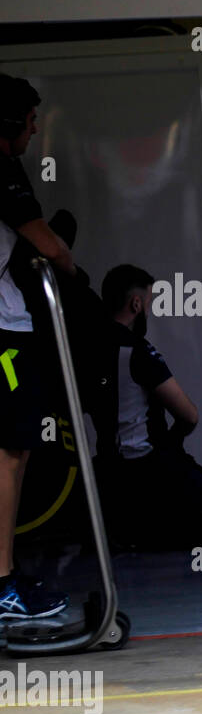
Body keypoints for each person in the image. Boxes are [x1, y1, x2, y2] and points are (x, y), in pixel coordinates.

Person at [91, 265, 202, 550]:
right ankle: (151, 536)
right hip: (150, 464)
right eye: (148, 302)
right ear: (136, 304)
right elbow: (189, 415)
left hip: (107, 469)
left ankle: (136, 529)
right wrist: (171, 443)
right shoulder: (136, 351)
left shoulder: (87, 348)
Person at [0, 73, 71, 620]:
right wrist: (75, 270)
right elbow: (47, 241)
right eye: (28, 122)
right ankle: (1, 586)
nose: (34, 129)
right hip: (2, 332)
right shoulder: (2, 165)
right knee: (9, 452)